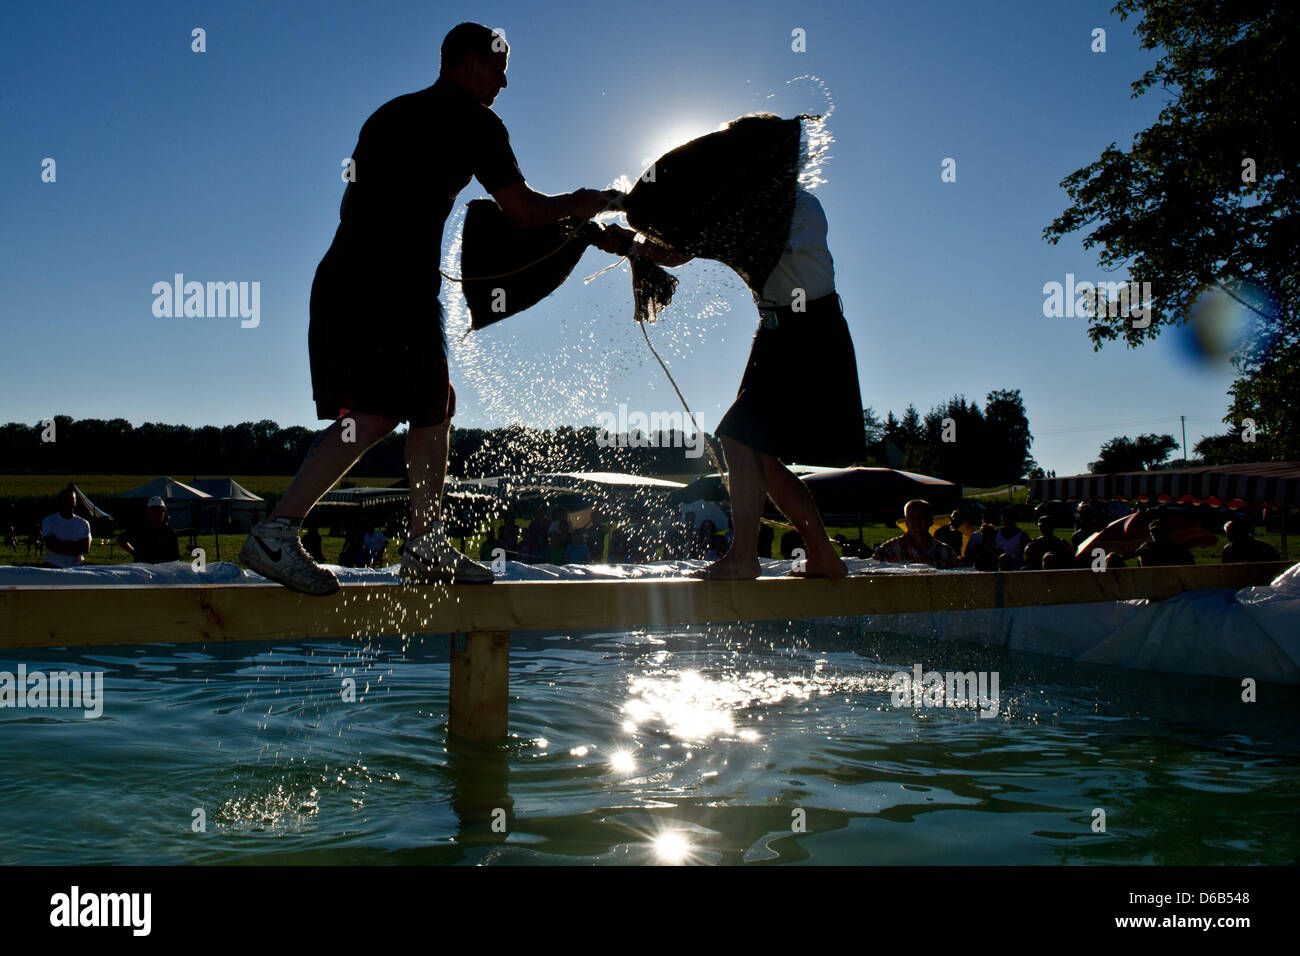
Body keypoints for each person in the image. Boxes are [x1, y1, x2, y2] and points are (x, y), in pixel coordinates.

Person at [240, 22, 622, 594]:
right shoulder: (478, 123)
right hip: (392, 288)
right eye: (498, 67)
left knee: (417, 408)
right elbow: (521, 211)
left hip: (345, 278)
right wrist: (589, 204)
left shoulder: (387, 114)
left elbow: (353, 200)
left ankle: (408, 542)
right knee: (391, 412)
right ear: (467, 62)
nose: (505, 80)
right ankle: (296, 534)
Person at [595, 117, 863, 580]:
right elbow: (684, 249)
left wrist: (654, 224)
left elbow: (720, 242)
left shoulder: (801, 208)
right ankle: (822, 556)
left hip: (811, 332)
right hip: (775, 334)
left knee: (738, 439)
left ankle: (745, 557)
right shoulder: (745, 210)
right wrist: (630, 245)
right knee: (754, 450)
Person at [873, 499, 961, 569]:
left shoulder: (946, 553)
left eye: (921, 516)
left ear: (930, 521)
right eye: (911, 516)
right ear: (906, 521)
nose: (916, 521)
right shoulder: (887, 551)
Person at [117, 496, 181, 564]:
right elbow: (121, 539)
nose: (156, 513)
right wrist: (135, 553)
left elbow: (175, 558)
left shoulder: (169, 531)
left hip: (162, 570)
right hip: (143, 569)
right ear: (148, 511)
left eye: (159, 510)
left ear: (164, 511)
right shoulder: (140, 528)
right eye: (153, 510)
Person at [41, 487, 91, 569]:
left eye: (72, 499)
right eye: (67, 498)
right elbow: (51, 545)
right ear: (61, 500)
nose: (69, 501)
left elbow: (85, 548)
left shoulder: (83, 523)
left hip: (76, 568)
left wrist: (60, 545)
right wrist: (75, 547)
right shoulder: (49, 521)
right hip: (52, 567)